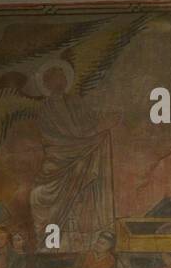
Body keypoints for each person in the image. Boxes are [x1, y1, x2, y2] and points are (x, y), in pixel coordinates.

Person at [29, 62, 114, 250]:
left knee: (82, 191)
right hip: (57, 159)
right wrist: (75, 145)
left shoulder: (76, 102)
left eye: (62, 75)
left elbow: (89, 126)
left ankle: (78, 244)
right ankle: (49, 244)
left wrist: (89, 138)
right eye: (55, 76)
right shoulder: (45, 109)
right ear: (47, 82)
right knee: (37, 194)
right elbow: (49, 138)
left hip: (82, 156)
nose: (60, 79)